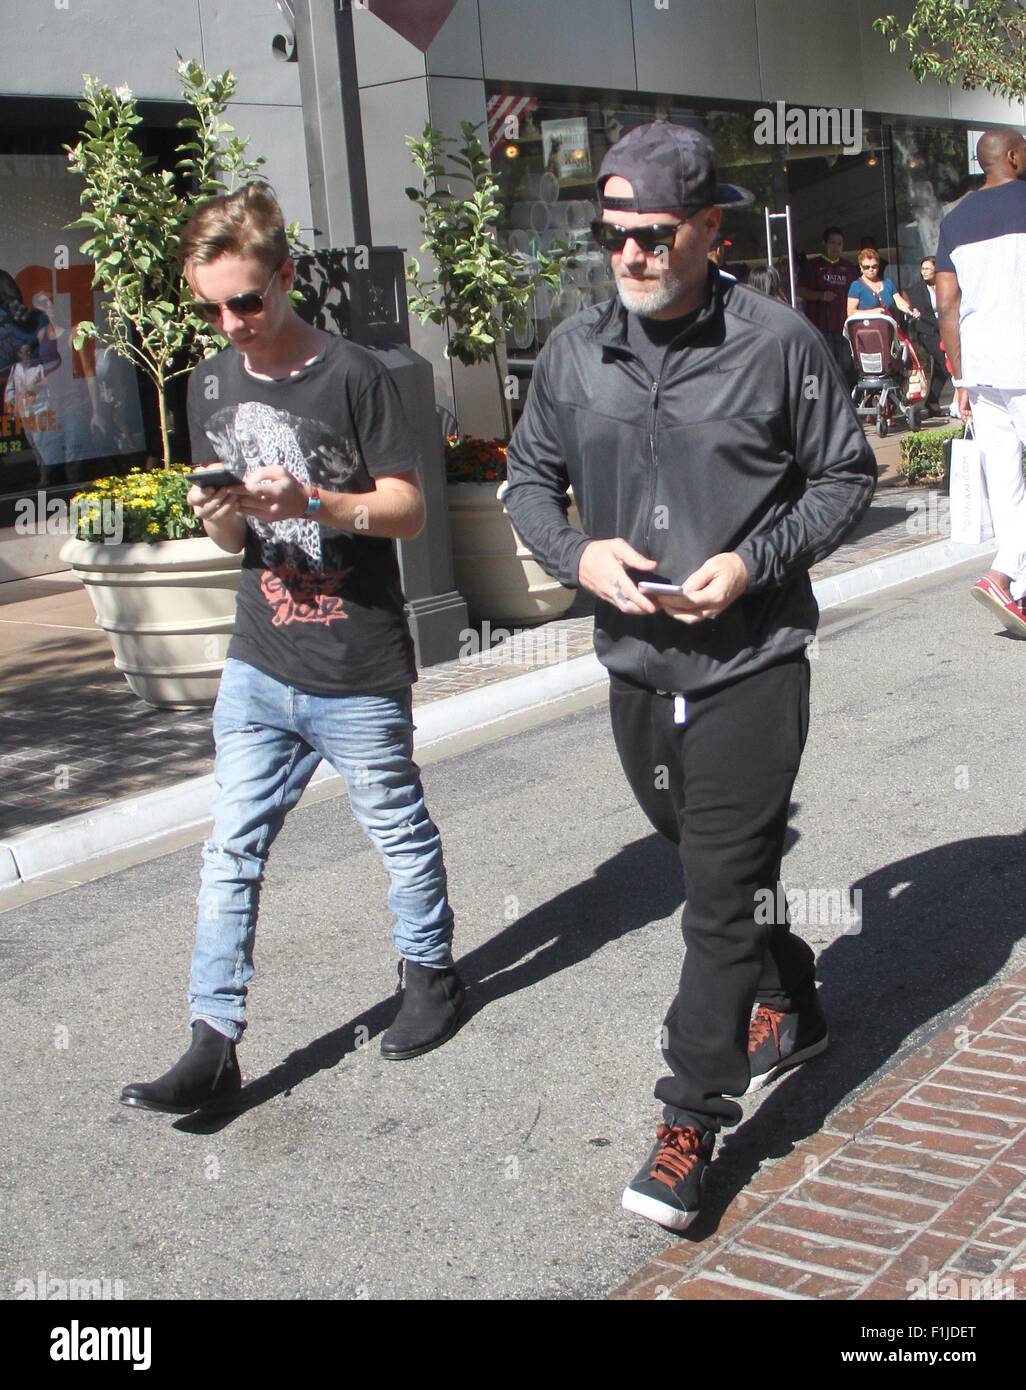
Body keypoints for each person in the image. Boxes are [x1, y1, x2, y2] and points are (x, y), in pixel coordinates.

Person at [504, 122, 876, 1232]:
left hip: (751, 663)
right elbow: (528, 479)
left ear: (711, 231)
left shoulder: (778, 344)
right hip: (633, 664)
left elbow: (846, 475)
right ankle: (788, 991)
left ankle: (689, 1118)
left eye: (654, 233)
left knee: (712, 895)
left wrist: (752, 563)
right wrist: (578, 555)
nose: (630, 254)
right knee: (715, 868)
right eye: (612, 233)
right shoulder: (575, 353)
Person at [120, 183, 465, 1114]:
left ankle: (431, 975)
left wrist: (309, 501)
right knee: (231, 845)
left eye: (247, 300)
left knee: (395, 828)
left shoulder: (355, 374)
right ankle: (213, 1040)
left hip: (355, 661)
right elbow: (236, 545)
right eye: (213, 306)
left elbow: (408, 508)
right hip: (258, 659)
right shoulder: (210, 382)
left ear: (286, 278)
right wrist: (222, 516)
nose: (231, 322)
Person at [935, 127, 1026, 637]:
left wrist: (961, 376)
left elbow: (947, 305)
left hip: (984, 369)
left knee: (1007, 484)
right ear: (1012, 156)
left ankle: (1015, 585)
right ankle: (1002, 573)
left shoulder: (954, 222)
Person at [797, 225, 856, 378]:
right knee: (821, 370)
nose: (836, 247)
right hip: (819, 327)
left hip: (843, 328)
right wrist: (820, 296)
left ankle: (844, 400)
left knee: (844, 368)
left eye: (839, 243)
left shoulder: (849, 268)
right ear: (824, 244)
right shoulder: (811, 266)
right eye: (832, 243)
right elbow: (800, 291)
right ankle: (819, 399)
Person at [905, 256, 950, 414]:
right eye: (922, 269)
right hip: (927, 331)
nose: (924, 272)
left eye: (927, 269)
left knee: (941, 368)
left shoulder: (945, 285)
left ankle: (932, 402)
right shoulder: (918, 288)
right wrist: (941, 324)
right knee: (944, 364)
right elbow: (923, 314)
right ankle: (931, 401)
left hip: (946, 329)